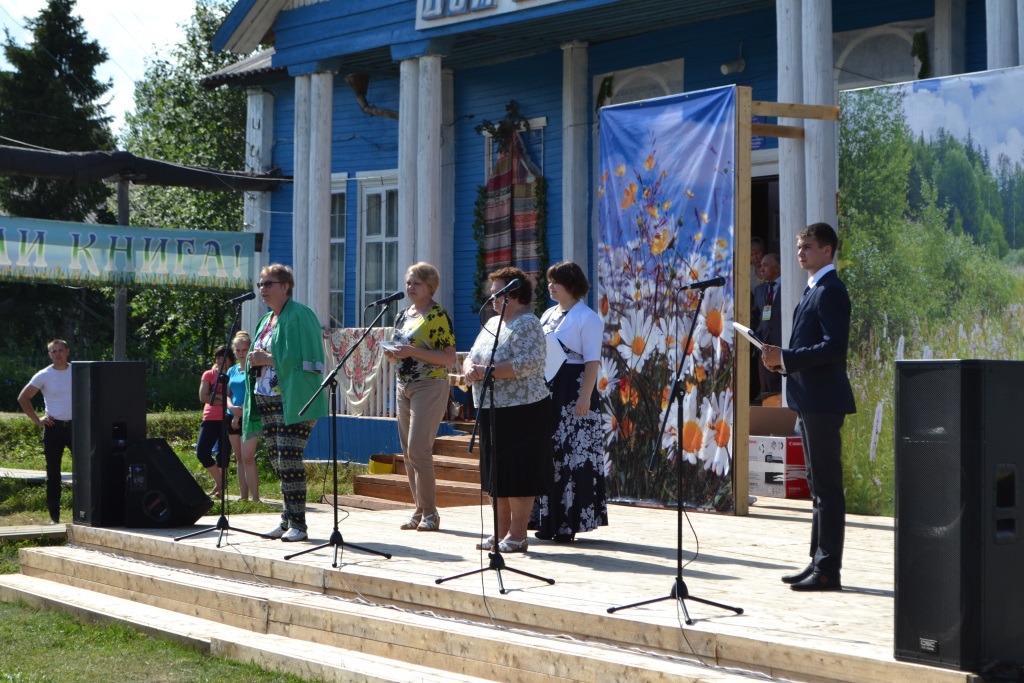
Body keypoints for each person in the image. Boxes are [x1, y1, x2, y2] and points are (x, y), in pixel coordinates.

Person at [761, 223, 856, 592]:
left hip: (823, 401)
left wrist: (786, 358)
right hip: (809, 399)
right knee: (817, 487)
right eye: (799, 246)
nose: (800, 252)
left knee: (828, 489)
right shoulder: (813, 287)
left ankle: (829, 570)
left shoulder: (831, 290)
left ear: (828, 250)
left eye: (808, 247)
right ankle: (817, 559)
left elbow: (834, 348)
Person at [463, 267, 553, 553]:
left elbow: (530, 363)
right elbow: (472, 355)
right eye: (491, 293)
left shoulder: (528, 323)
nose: (492, 298)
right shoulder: (491, 323)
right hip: (492, 409)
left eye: (497, 293)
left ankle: (517, 534)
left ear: (513, 294)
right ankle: (499, 533)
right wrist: (468, 369)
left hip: (522, 410)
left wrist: (487, 371)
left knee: (518, 473)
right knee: (496, 474)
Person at [242, 263, 328, 542]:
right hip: (267, 398)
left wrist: (267, 359)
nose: (263, 289)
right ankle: (286, 519)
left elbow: (310, 358)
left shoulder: (300, 315)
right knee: (279, 462)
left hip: (296, 399)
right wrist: (253, 361)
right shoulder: (266, 320)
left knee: (290, 459)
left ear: (285, 286)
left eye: (268, 284)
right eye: (261, 284)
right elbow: (254, 356)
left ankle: (299, 526)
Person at [530, 260, 608, 543]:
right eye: (549, 281)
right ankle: (547, 519)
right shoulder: (548, 314)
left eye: (556, 282)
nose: (550, 286)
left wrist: (585, 396)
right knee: (552, 455)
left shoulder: (587, 317)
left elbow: (592, 361)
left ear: (571, 285)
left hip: (574, 392)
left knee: (574, 457)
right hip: (549, 390)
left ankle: (568, 523)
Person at [384, 262, 456, 532]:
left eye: (416, 283)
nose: (409, 287)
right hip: (404, 385)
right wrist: (393, 354)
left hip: (430, 384)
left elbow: (448, 358)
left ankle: (431, 513)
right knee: (407, 452)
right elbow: (401, 350)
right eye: (408, 282)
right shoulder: (403, 314)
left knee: (418, 449)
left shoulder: (437, 316)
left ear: (430, 286)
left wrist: (411, 352)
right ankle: (419, 509)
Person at [17, 339, 73, 524]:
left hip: (76, 428)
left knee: (85, 471)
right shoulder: (44, 375)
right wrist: (37, 420)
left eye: (60, 350)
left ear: (67, 352)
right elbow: (23, 397)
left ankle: (84, 513)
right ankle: (54, 518)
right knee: (53, 473)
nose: (57, 354)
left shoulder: (78, 372)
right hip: (53, 428)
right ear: (49, 355)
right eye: (53, 351)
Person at [226, 331, 260, 503]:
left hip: (248, 415)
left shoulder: (252, 368)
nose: (241, 353)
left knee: (248, 456)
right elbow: (227, 393)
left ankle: (255, 498)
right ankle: (243, 497)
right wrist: (231, 407)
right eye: (238, 350)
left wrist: (239, 415)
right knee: (238, 457)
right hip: (231, 414)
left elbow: (251, 392)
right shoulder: (231, 370)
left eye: (244, 350)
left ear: (249, 350)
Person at [197, 345, 235, 497]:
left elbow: (233, 398)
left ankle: (219, 488)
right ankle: (220, 482)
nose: (220, 360)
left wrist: (216, 396)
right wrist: (223, 398)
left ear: (230, 360)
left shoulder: (233, 375)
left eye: (223, 357)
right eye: (217, 357)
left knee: (223, 454)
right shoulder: (209, 374)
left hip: (227, 417)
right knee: (202, 452)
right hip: (210, 418)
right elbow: (203, 397)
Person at [752, 252, 782, 397]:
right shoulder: (759, 291)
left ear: (778, 268)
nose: (761, 269)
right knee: (769, 392)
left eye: (765, 265)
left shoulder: (789, 288)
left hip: (782, 345)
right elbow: (754, 316)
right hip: (764, 344)